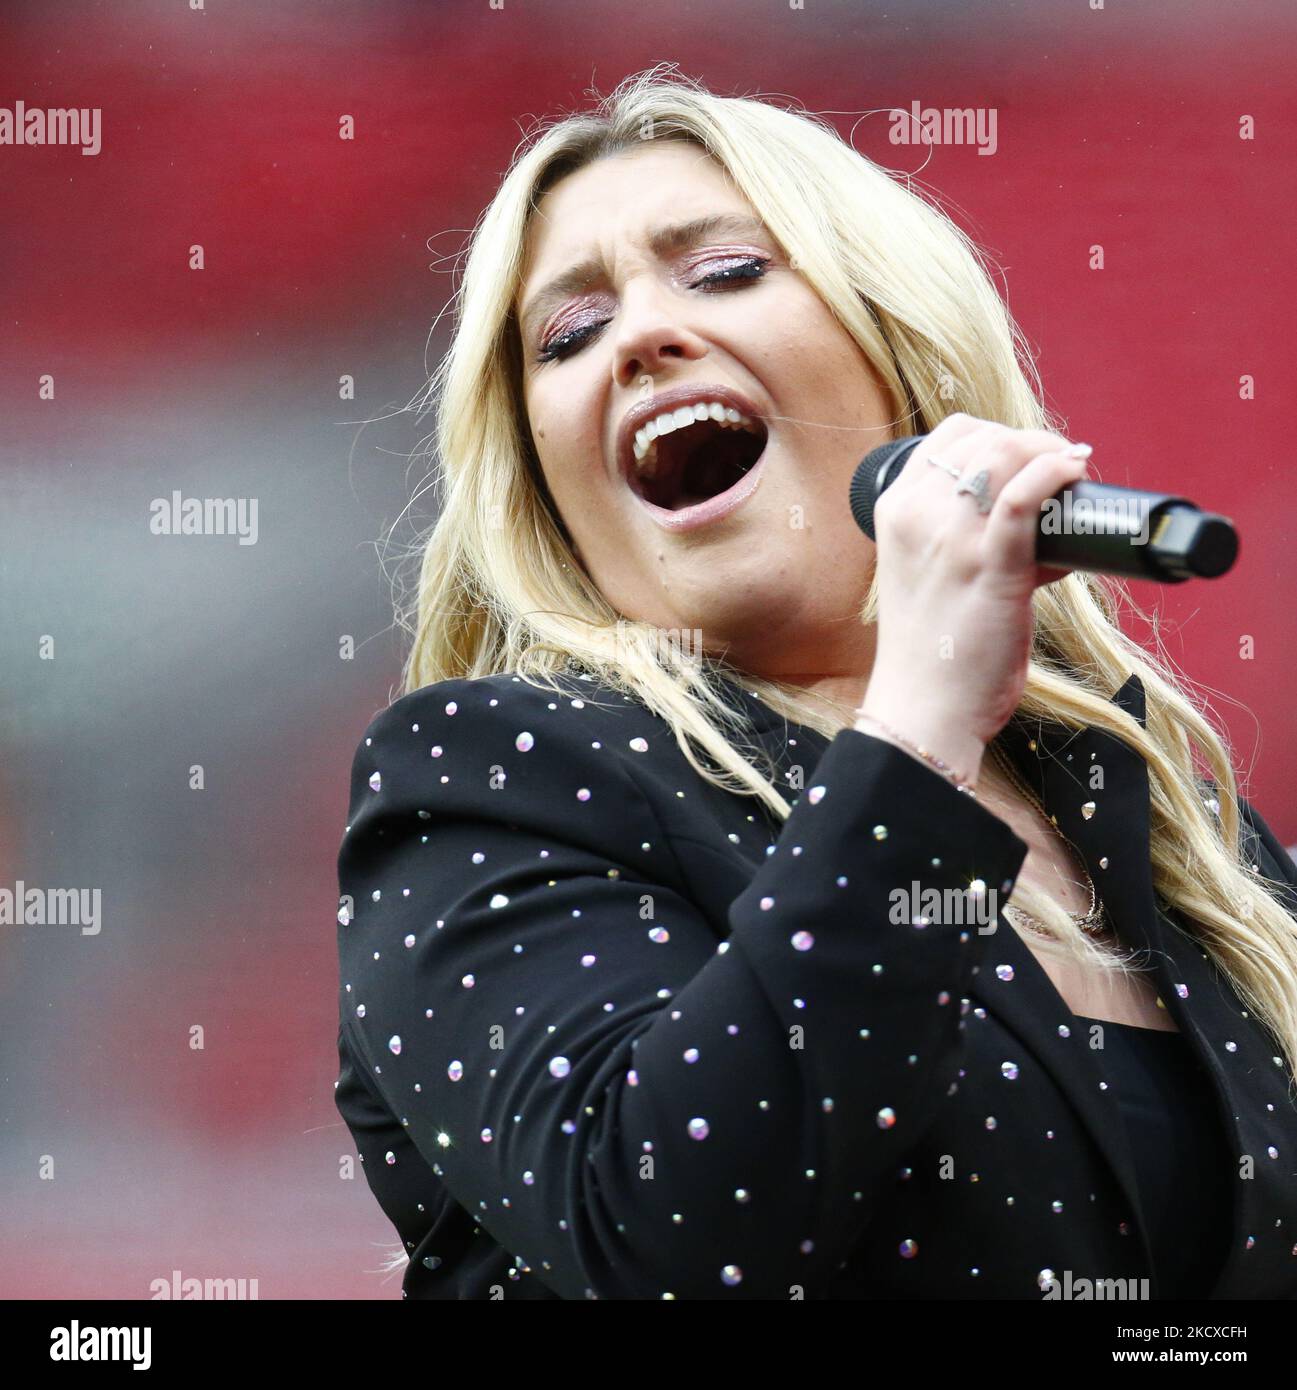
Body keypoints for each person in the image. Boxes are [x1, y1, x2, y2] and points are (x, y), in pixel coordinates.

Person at [334, 67, 1297, 1300]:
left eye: (727, 271)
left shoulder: (1163, 822)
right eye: (568, 337)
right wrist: (920, 722)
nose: (641, 337)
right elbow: (671, 1240)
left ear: (905, 360)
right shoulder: (489, 778)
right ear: (549, 492)